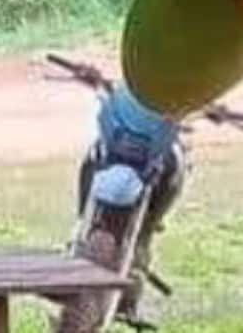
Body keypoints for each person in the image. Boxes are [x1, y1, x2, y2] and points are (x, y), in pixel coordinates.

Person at [75, 82, 185, 325]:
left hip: (152, 142)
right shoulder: (140, 70)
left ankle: (148, 229)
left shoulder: (181, 76)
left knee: (176, 163)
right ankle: (80, 223)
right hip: (125, 138)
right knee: (92, 157)